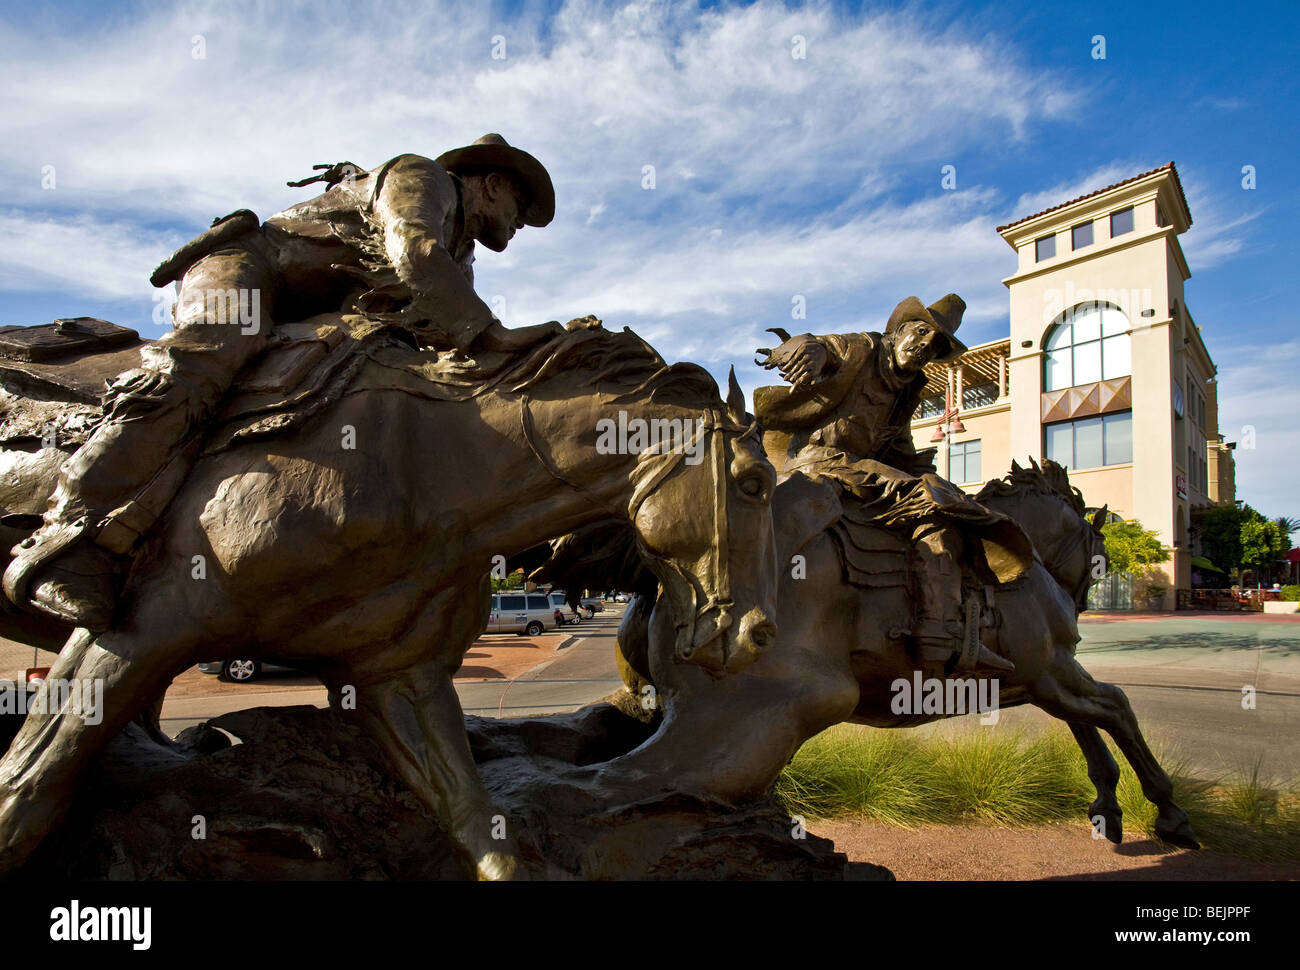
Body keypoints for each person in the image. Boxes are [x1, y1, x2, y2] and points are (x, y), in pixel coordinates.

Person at [6, 134, 570, 632]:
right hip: (252, 270)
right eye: (520, 209)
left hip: (325, 321)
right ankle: (65, 540)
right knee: (208, 355)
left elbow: (444, 338)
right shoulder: (422, 178)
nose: (520, 225)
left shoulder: (461, 257)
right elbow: (415, 254)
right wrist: (494, 336)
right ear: (492, 184)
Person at [755, 294, 1034, 673]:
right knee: (932, 504)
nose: (924, 346)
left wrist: (929, 475)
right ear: (899, 330)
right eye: (920, 332)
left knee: (942, 500)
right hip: (821, 464)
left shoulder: (906, 389)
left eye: (934, 345)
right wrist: (807, 349)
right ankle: (940, 634)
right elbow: (826, 347)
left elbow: (899, 447)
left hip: (858, 472)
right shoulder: (863, 348)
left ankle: (937, 620)